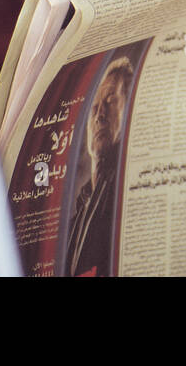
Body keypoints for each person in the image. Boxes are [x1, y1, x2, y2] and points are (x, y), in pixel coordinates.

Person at [66, 55, 134, 277]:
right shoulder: (81, 208)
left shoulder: (124, 190)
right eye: (94, 108)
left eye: (111, 101)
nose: (99, 115)